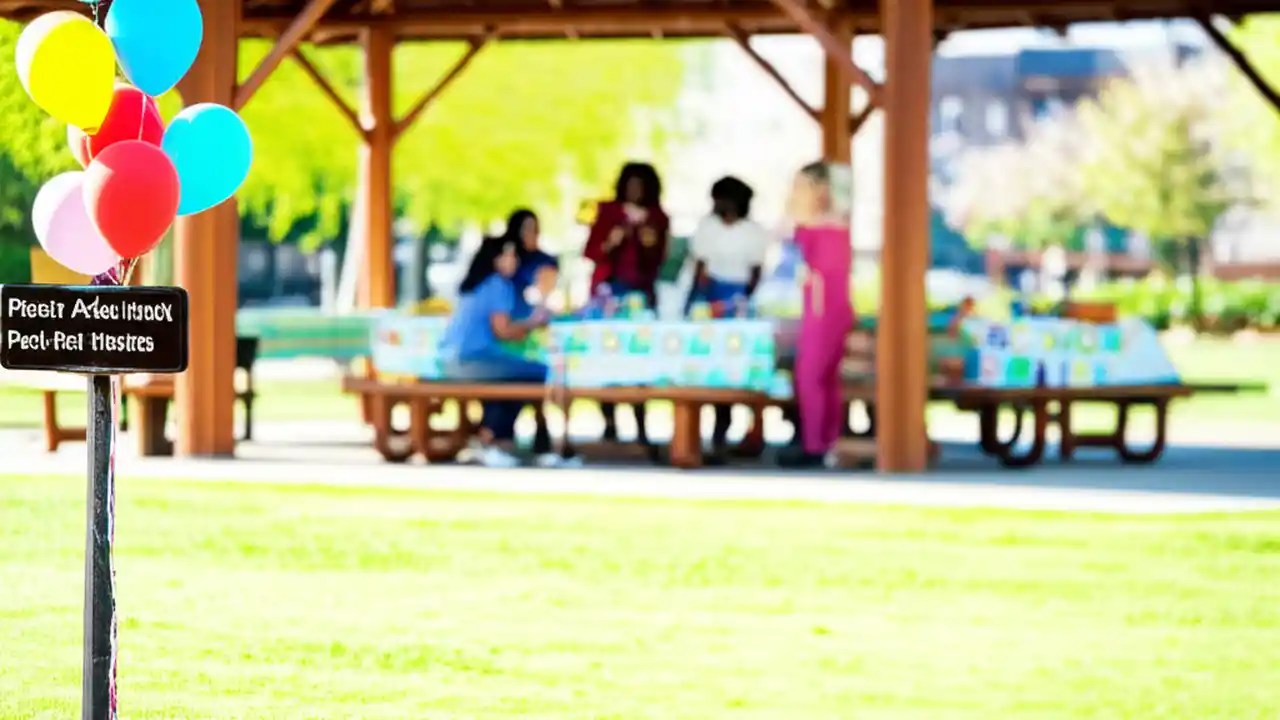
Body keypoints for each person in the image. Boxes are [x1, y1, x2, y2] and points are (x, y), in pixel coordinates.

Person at [440, 234, 550, 468]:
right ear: (492, 258)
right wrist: (534, 322)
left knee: (509, 376)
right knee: (537, 373)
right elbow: (503, 330)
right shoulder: (498, 284)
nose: (511, 261)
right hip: (472, 360)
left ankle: (492, 437)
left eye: (514, 255)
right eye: (505, 255)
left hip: (450, 360)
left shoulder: (473, 284)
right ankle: (494, 438)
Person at [584, 162, 670, 453]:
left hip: (640, 294)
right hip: (608, 291)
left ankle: (641, 425)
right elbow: (591, 252)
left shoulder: (657, 218)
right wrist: (612, 240)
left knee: (639, 359)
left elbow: (660, 261)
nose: (635, 191)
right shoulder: (607, 212)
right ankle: (609, 422)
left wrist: (649, 243)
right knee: (603, 355)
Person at [687, 176, 769, 459]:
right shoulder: (707, 228)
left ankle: (749, 431)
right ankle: (715, 430)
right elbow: (701, 266)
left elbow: (756, 270)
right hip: (711, 297)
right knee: (708, 363)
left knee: (740, 364)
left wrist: (741, 301)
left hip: (740, 299)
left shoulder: (753, 232)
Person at [779, 161, 854, 468]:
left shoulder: (827, 229)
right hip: (819, 308)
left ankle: (817, 444)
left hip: (825, 310)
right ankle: (823, 440)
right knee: (820, 378)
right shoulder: (812, 229)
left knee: (812, 376)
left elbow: (817, 270)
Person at [506, 209, 559, 456]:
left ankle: (540, 424)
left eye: (535, 229)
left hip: (532, 329)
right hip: (510, 330)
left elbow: (546, 293)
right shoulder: (507, 261)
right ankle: (502, 430)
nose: (532, 235)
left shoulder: (544, 261)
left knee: (536, 368)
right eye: (527, 229)